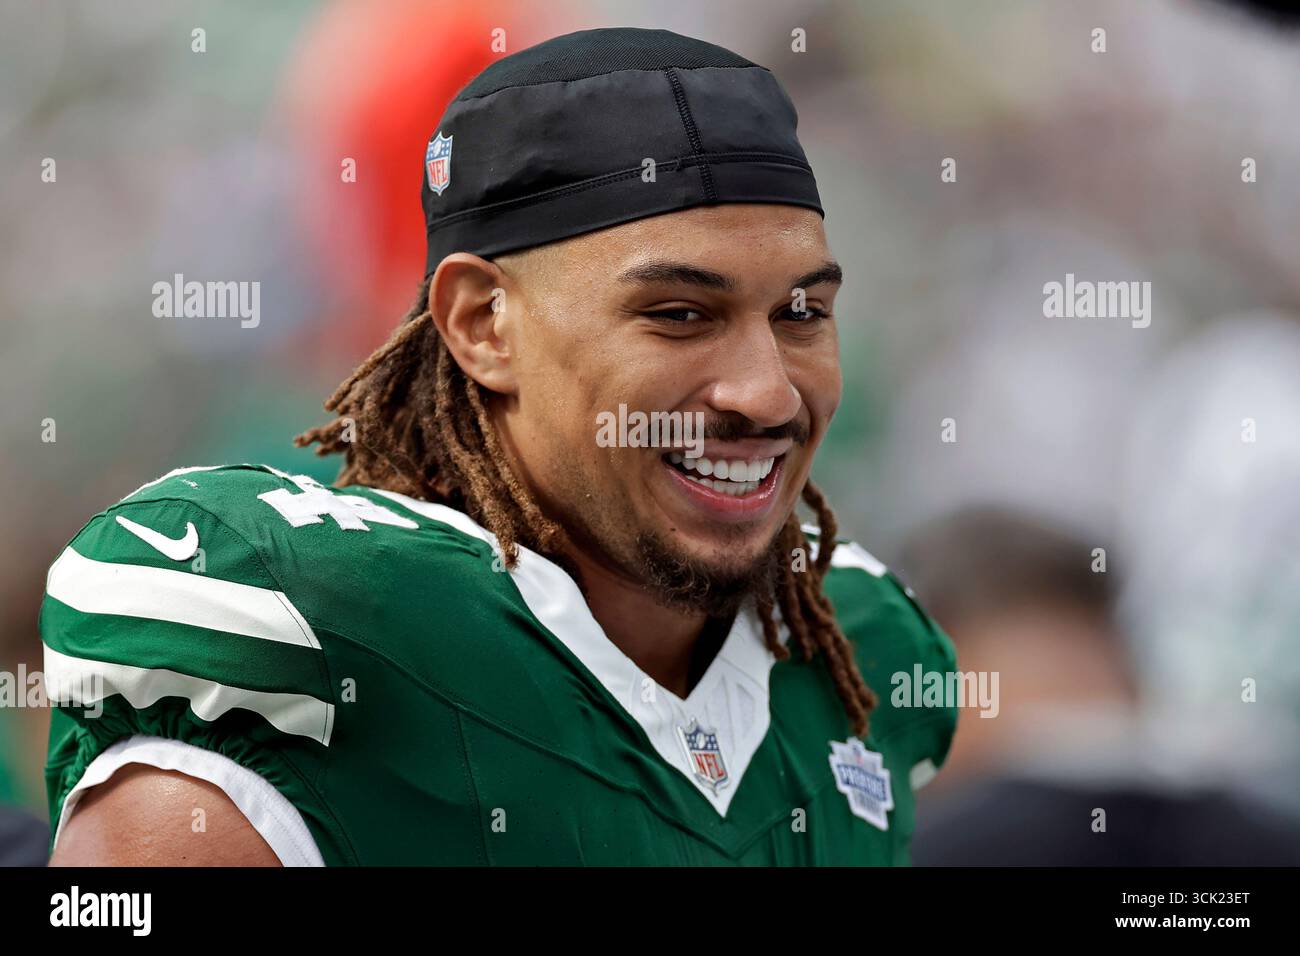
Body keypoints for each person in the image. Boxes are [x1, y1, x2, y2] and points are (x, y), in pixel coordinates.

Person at [42, 27, 957, 865]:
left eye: (802, 314)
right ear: (484, 324)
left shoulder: (858, 653)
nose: (765, 393)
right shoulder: (322, 646)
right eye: (680, 315)